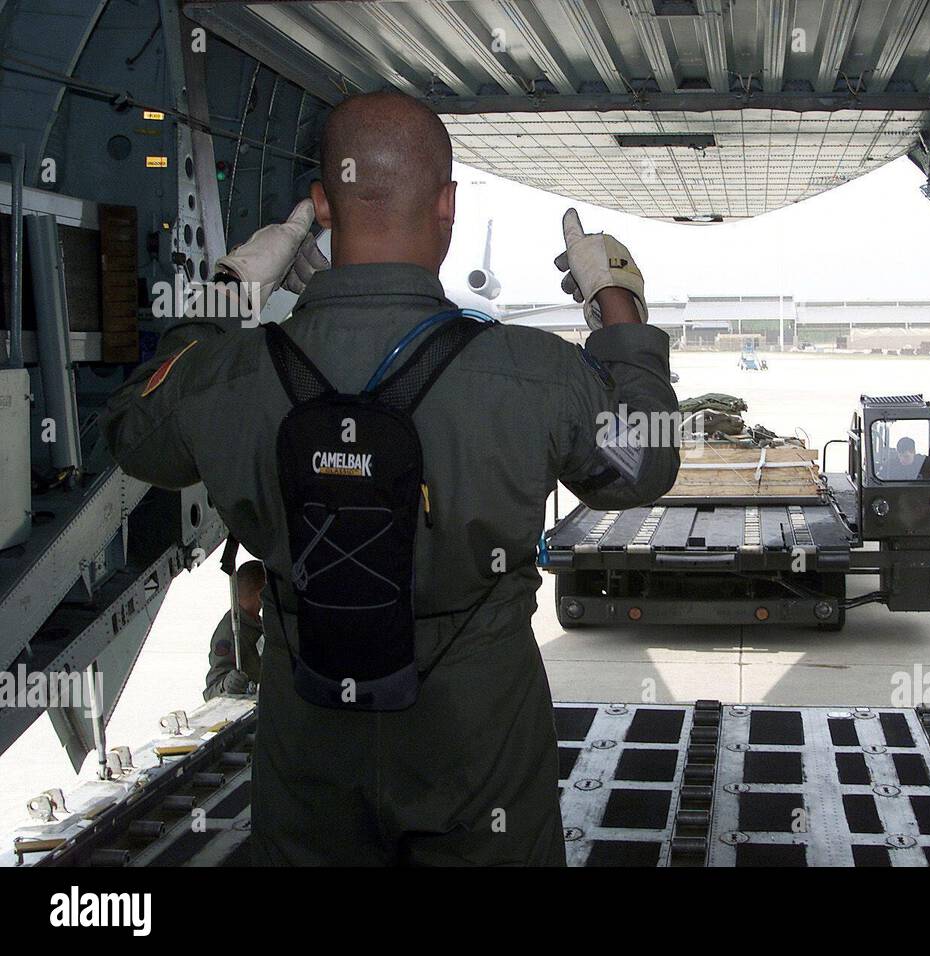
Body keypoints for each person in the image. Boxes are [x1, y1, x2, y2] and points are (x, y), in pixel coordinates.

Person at [103, 91, 679, 865]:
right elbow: (645, 466)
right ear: (447, 205)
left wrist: (226, 292)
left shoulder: (229, 374)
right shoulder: (536, 373)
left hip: (309, 738)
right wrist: (617, 303)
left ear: (320, 206)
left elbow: (133, 435)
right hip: (478, 748)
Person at [203, 560, 266, 700]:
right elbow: (211, 692)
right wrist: (226, 685)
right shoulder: (230, 632)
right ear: (260, 594)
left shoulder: (259, 624)